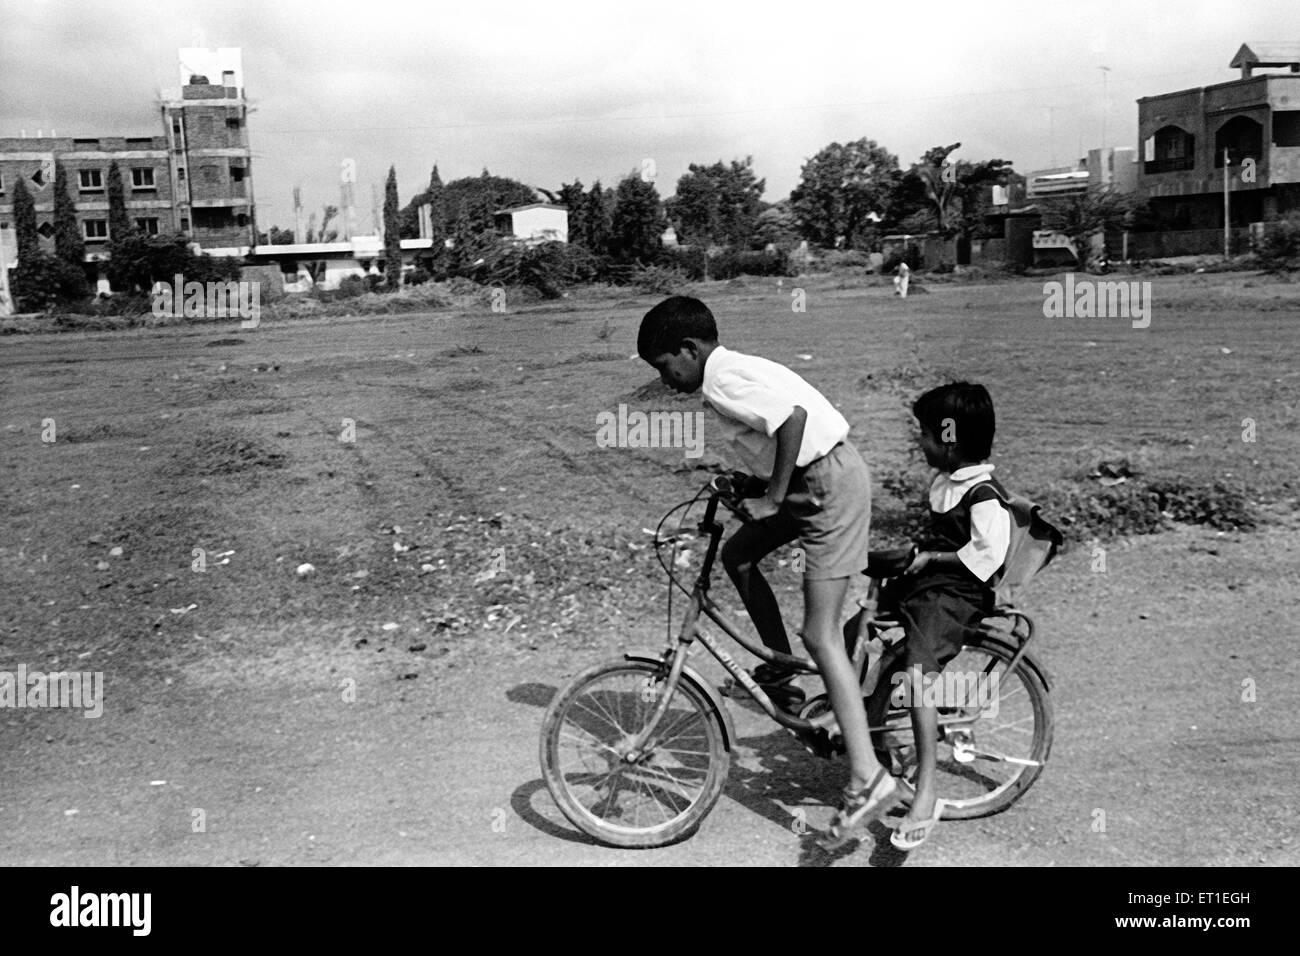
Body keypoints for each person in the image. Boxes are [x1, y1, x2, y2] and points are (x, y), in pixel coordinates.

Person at [637, 295, 898, 836]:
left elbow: (792, 421)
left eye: (665, 367)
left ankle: (869, 776)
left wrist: (774, 498)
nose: (666, 380)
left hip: (828, 486)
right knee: (738, 554)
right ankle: (780, 671)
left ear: (689, 349)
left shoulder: (722, 379)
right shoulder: (730, 370)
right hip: (815, 480)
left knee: (820, 634)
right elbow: (780, 431)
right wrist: (753, 485)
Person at [870, 381, 1011, 850]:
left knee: (918, 674)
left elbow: (986, 559)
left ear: (949, 439)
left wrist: (932, 559)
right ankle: (864, 729)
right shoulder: (948, 483)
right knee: (855, 625)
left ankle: (926, 791)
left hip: (955, 595)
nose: (920, 443)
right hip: (927, 584)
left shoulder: (984, 494)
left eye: (926, 435)